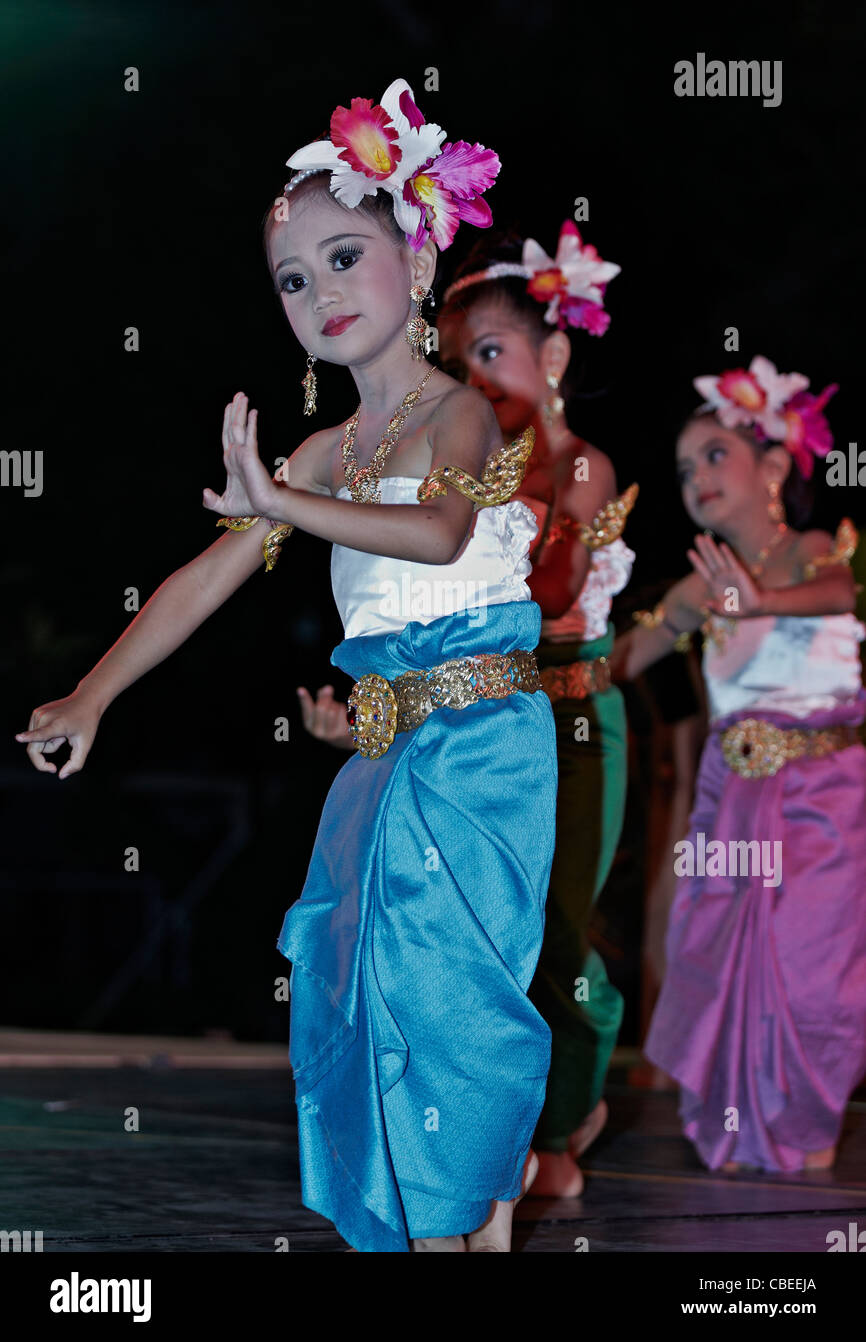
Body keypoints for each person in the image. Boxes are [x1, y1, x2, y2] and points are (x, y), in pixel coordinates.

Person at [16, 77, 558, 1252]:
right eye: (293, 277)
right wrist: (92, 692)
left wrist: (290, 504)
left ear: (416, 268)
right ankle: (448, 1225)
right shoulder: (319, 448)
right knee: (360, 988)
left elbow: (442, 535)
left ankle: (482, 1214)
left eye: (344, 257)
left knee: (449, 993)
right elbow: (206, 579)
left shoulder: (454, 415)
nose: (318, 292)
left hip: (481, 748)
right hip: (381, 752)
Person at [300, 218, 637, 1197]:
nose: (472, 376)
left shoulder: (571, 469)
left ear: (555, 353)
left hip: (568, 724)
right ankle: (476, 1149)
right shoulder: (460, 443)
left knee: (557, 935)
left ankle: (564, 1124)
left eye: (491, 353)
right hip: (467, 716)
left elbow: (553, 577)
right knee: (460, 934)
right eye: (458, 359)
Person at [612, 355, 866, 1173]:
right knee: (719, 962)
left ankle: (808, 1135)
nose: (696, 479)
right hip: (731, 803)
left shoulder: (815, 553)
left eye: (715, 455)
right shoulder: (696, 588)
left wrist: (760, 604)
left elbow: (837, 595)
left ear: (777, 465)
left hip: (825, 801)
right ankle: (738, 1135)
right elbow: (618, 659)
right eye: (685, 469)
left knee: (812, 973)